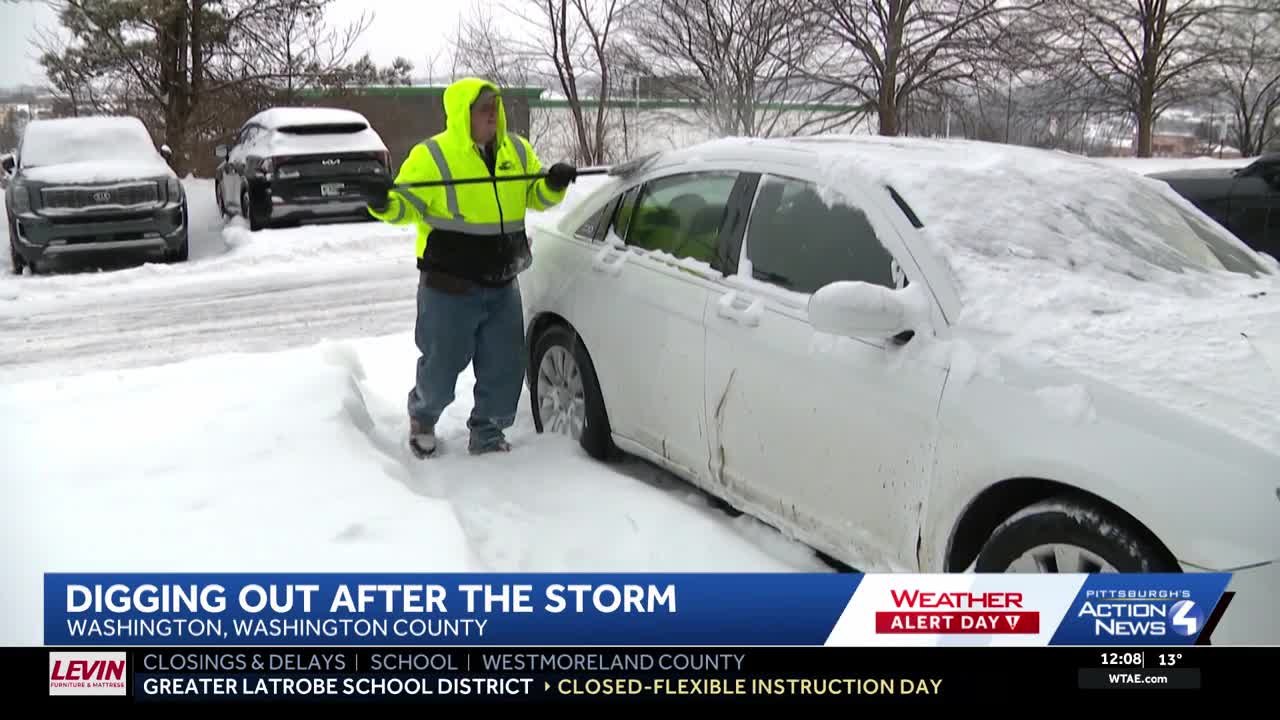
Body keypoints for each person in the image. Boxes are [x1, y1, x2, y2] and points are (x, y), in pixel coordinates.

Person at [364, 77, 578, 457]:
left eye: (495, 108)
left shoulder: (517, 150)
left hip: (503, 280)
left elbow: (536, 194)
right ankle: (423, 418)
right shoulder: (433, 156)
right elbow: (405, 206)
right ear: (464, 114)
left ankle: (488, 432)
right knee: (441, 366)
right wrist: (382, 202)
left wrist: (554, 184)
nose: (492, 115)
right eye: (483, 109)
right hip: (449, 285)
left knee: (505, 366)